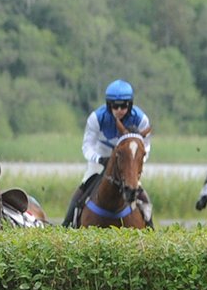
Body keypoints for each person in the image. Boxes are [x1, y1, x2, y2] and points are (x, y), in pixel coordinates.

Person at [63, 79, 154, 227]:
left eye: (123, 106)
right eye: (114, 106)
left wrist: (134, 165)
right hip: (101, 155)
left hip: (128, 159)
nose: (119, 110)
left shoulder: (141, 119)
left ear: (130, 104)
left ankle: (150, 228)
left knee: (144, 197)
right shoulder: (96, 118)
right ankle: (67, 223)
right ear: (108, 105)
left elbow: (146, 148)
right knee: (82, 191)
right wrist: (99, 159)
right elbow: (87, 146)